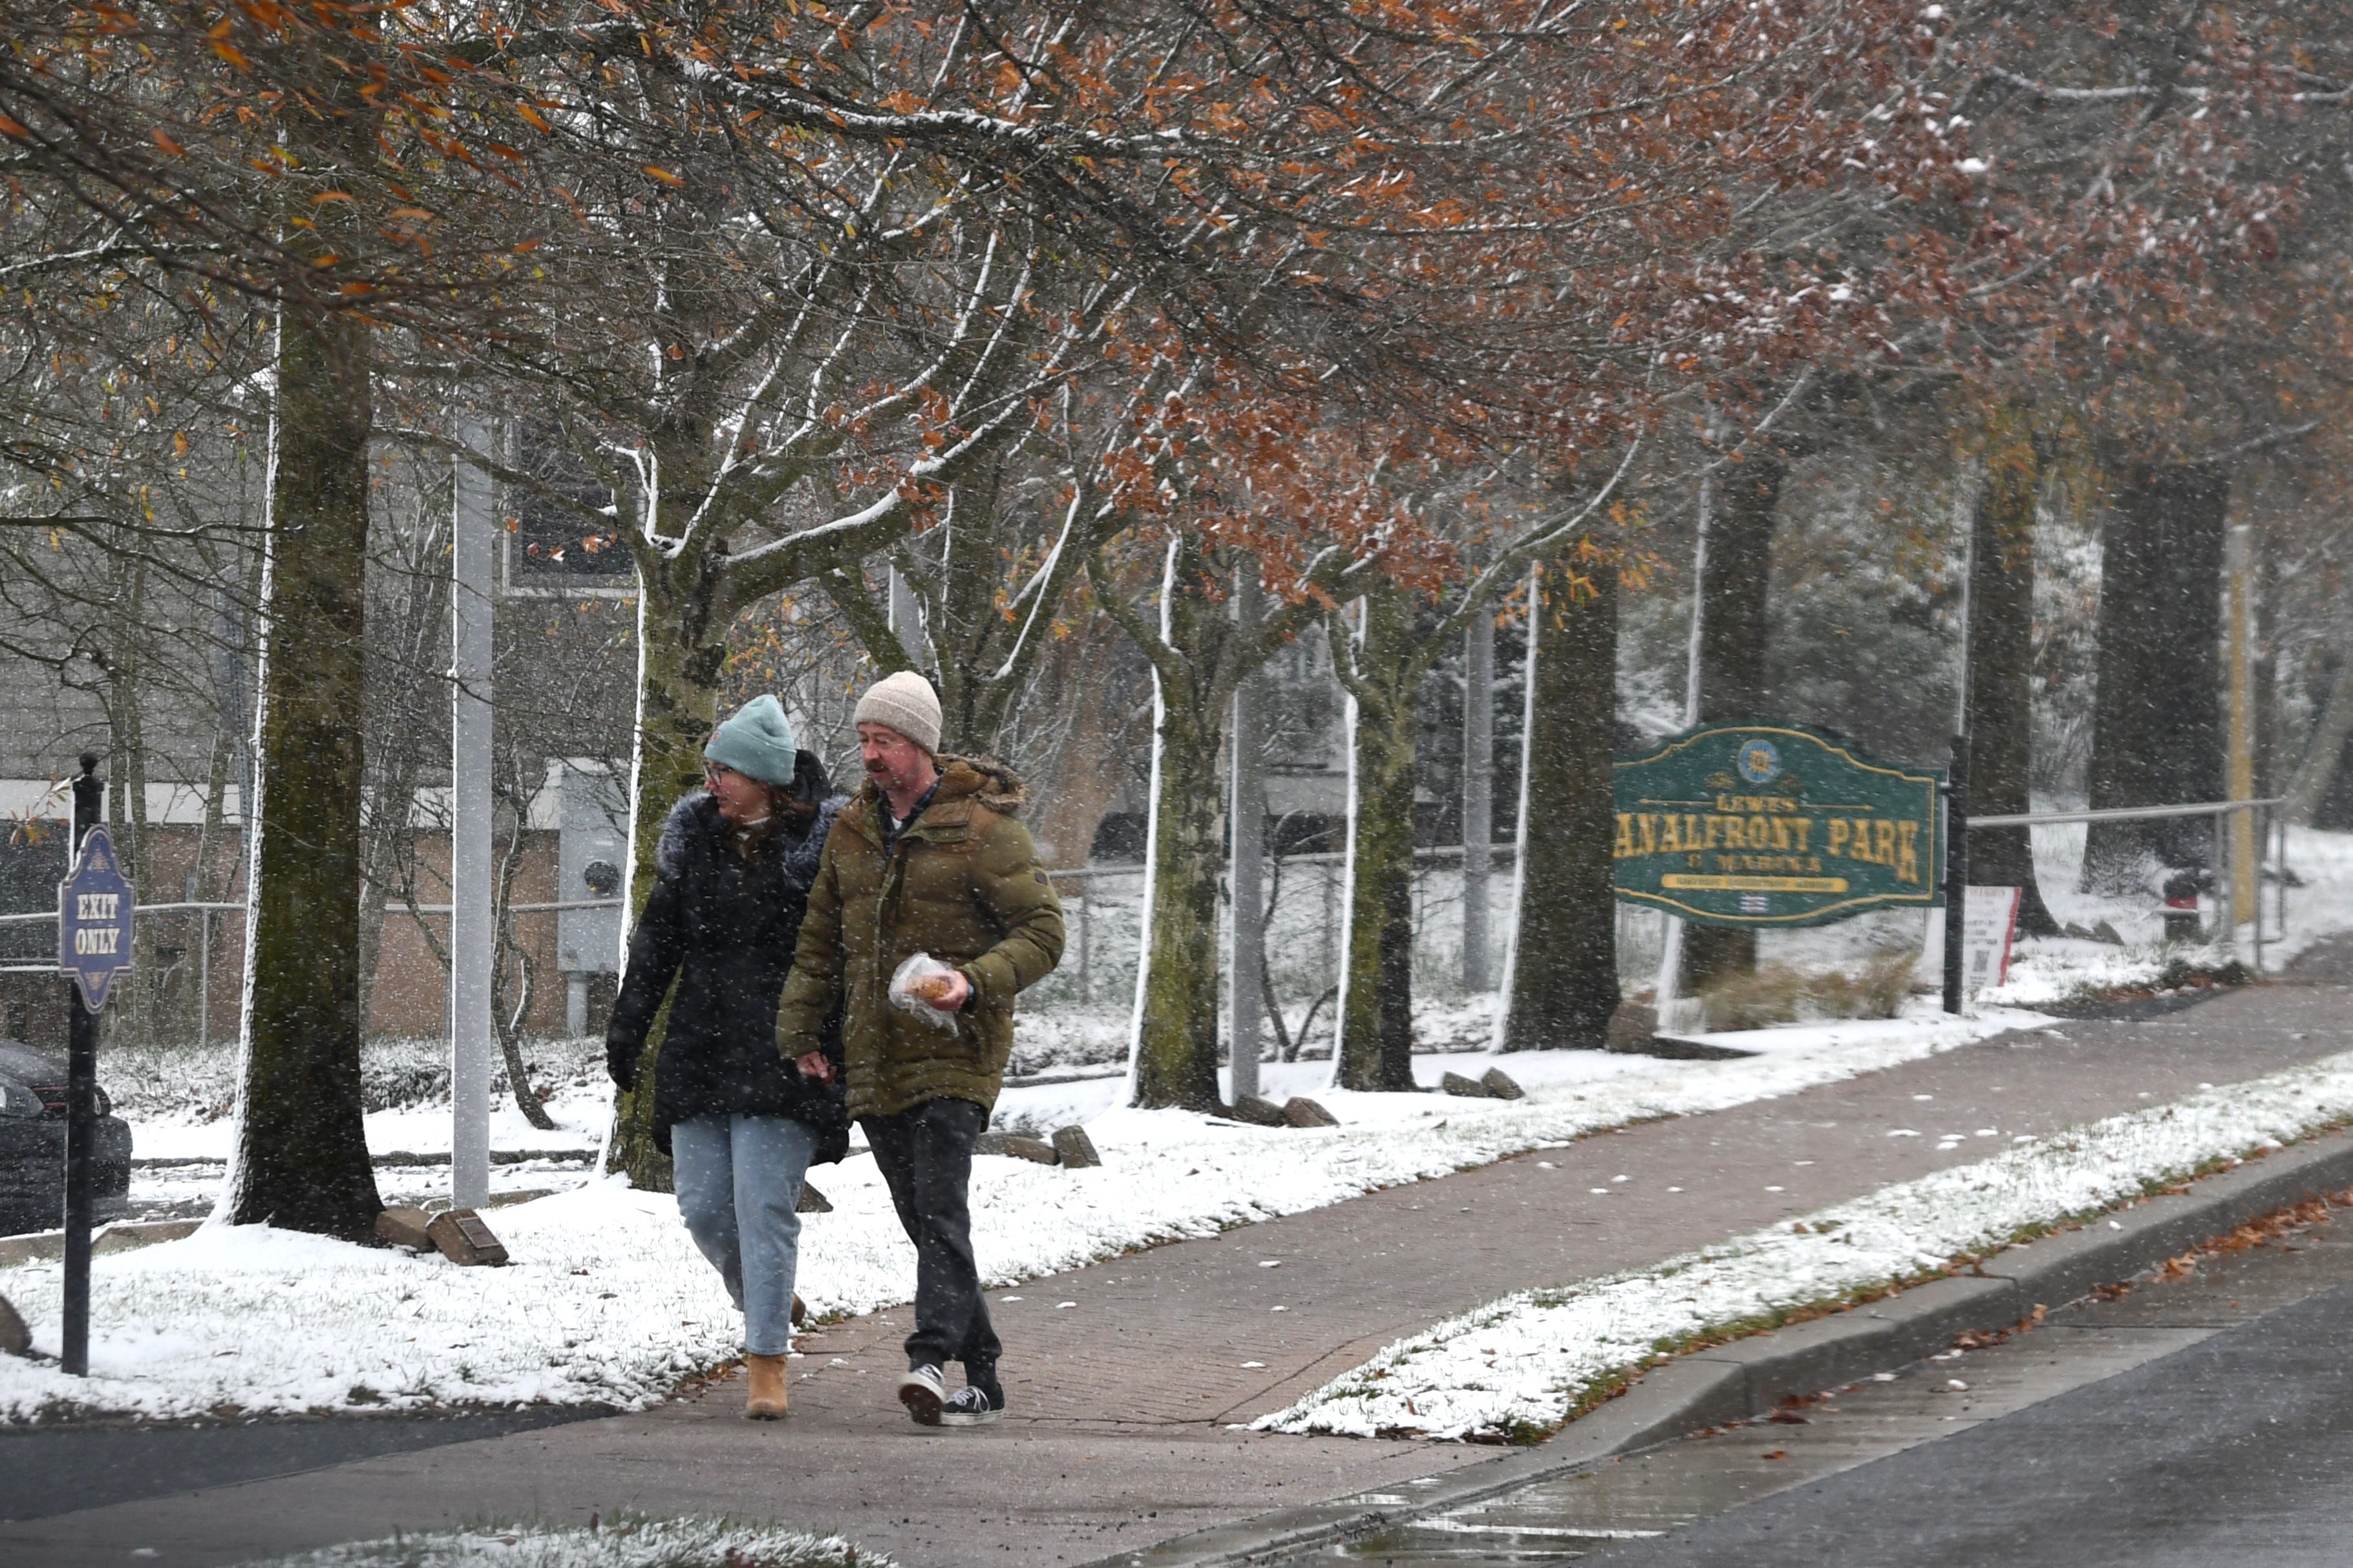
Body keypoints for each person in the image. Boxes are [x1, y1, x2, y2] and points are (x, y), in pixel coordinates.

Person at [775, 670, 1063, 1426]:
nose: (870, 754)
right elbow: (819, 939)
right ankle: (986, 1373)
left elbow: (1042, 932)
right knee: (924, 1218)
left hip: (956, 1052)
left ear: (922, 746)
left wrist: (971, 982)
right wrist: (802, 1031)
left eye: (886, 741)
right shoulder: (851, 829)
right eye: (864, 739)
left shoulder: (982, 826)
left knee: (940, 1207)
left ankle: (928, 1359)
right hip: (875, 1052)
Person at [607, 694, 846, 1421]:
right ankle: (765, 1296)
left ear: (765, 775)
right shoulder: (692, 843)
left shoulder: (822, 851)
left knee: (764, 1207)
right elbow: (655, 948)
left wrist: (830, 1041)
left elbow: (842, 955)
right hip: (701, 1047)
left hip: (785, 1051)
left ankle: (766, 1360)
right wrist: (626, 1028)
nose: (712, 781)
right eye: (709, 767)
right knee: (704, 1208)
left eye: (726, 769)